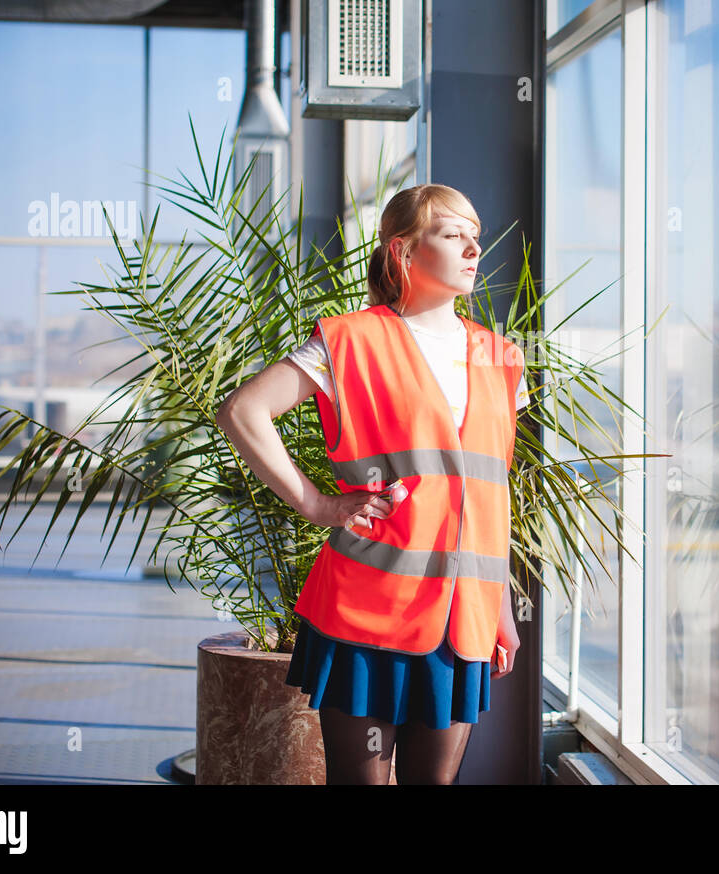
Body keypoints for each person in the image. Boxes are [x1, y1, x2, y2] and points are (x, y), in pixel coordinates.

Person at [216, 184, 528, 784]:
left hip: (461, 620)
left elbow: (489, 494)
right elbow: (242, 412)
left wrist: (501, 607)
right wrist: (317, 503)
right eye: (452, 234)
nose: (472, 248)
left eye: (476, 236)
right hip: (364, 613)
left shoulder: (503, 359)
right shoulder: (349, 342)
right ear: (403, 251)